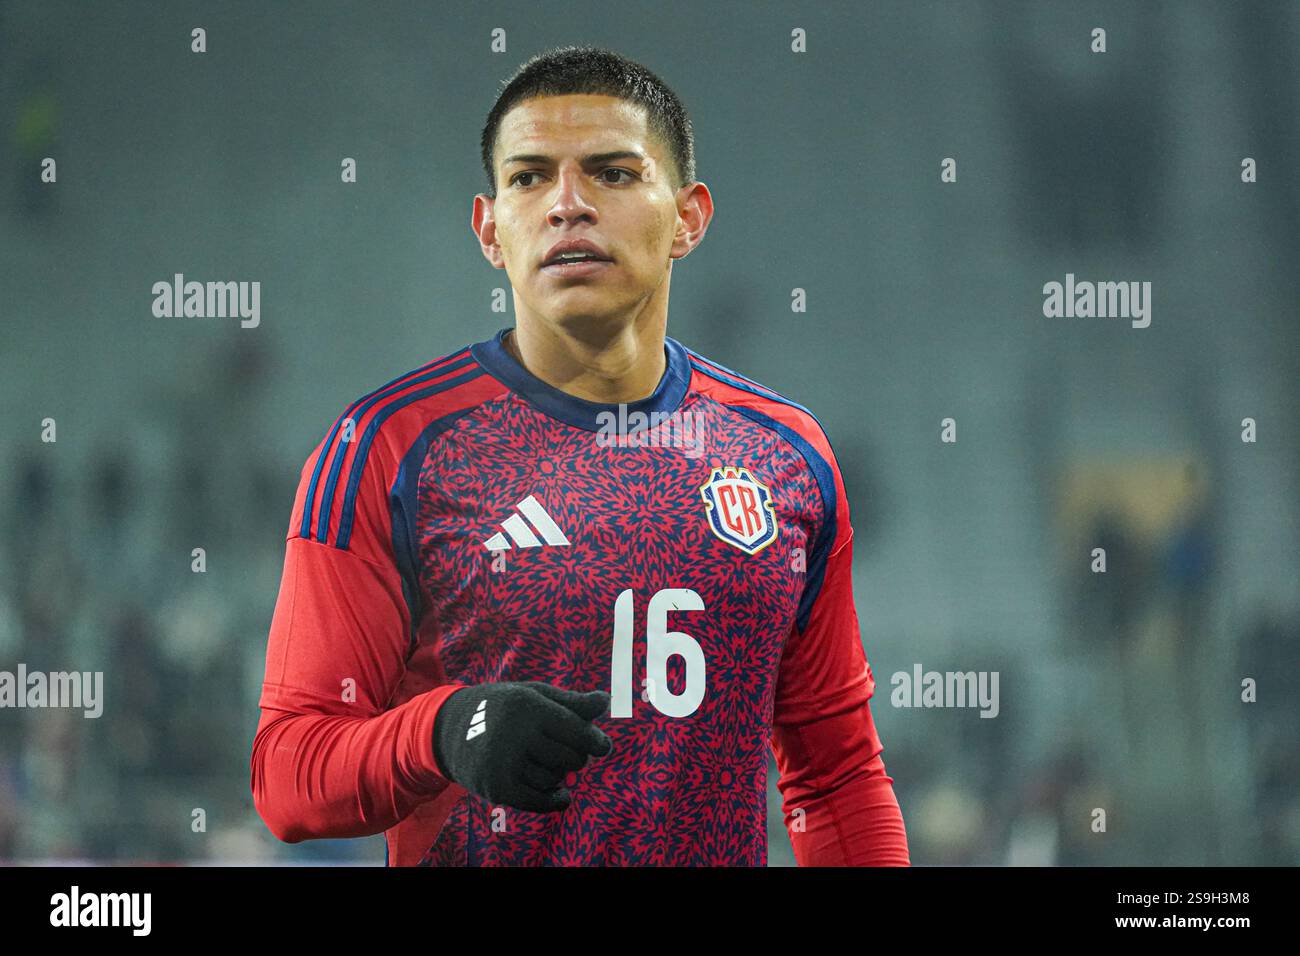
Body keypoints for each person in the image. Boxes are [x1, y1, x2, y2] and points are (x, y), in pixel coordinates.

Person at [250, 45, 909, 866]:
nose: (567, 204)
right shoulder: (386, 448)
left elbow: (835, 777)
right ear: (491, 231)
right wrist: (444, 731)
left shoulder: (783, 454)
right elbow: (286, 777)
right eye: (529, 177)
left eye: (612, 173)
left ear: (689, 217)